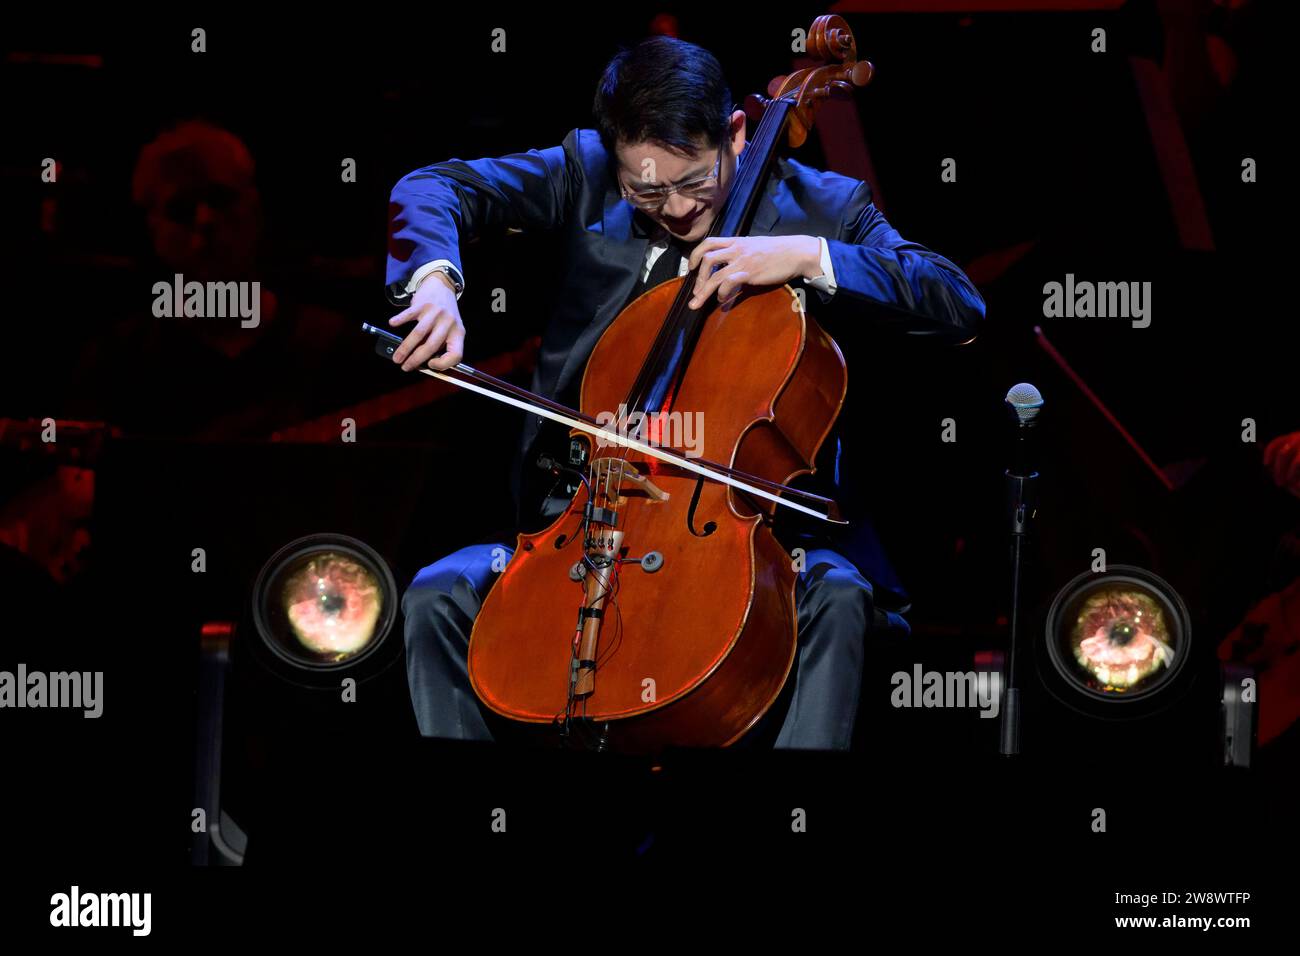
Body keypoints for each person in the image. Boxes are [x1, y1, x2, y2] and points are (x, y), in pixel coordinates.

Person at [385, 36, 985, 749]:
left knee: (841, 595)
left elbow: (956, 303)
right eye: (646, 190)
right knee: (436, 594)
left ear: (736, 132)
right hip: (580, 521)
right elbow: (430, 187)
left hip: (755, 540)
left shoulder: (821, 208)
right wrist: (433, 284)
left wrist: (804, 256)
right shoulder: (586, 173)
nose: (673, 209)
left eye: (695, 182)